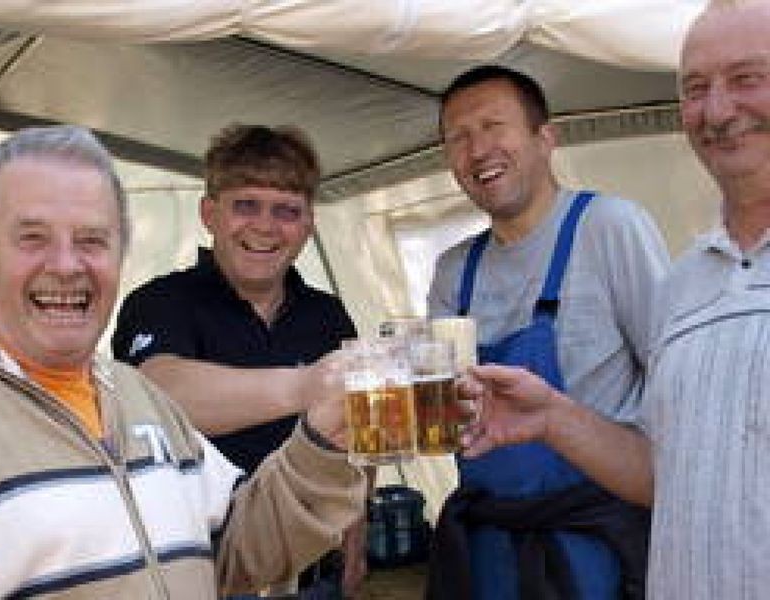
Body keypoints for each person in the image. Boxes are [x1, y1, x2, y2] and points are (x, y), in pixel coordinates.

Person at [0, 125, 365, 599]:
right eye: (32, 238)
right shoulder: (162, 312)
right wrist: (306, 386)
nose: (67, 265)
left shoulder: (132, 397)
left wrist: (325, 443)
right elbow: (168, 382)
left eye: (92, 240)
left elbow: (234, 548)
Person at [459, 1, 770, 598]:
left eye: (747, 79)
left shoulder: (608, 224)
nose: (718, 109)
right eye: (696, 88)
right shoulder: (685, 286)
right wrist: (552, 417)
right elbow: (663, 473)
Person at [425, 65, 670, 599]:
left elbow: (675, 388)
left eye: (494, 126)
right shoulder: (453, 270)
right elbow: (444, 418)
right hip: (489, 545)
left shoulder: (608, 226)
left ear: (545, 138)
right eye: (458, 138)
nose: (477, 149)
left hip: (596, 542)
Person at [111, 124, 367, 598]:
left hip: (316, 572)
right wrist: (305, 385)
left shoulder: (328, 314)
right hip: (209, 570)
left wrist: (356, 535)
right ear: (210, 213)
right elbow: (157, 395)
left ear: (309, 227)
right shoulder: (160, 302)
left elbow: (359, 431)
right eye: (246, 205)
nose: (265, 227)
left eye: (287, 211)